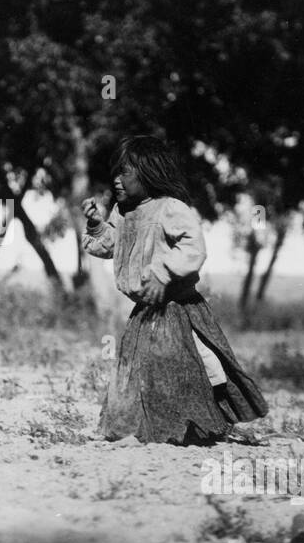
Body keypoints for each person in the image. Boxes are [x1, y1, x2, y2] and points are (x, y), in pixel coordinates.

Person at [82, 135, 268, 444]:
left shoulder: (171, 209)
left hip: (177, 309)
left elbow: (193, 248)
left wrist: (162, 272)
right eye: (115, 172)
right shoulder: (123, 212)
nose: (116, 180)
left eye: (124, 172)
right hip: (145, 314)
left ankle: (205, 425)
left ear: (149, 172)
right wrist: (96, 225)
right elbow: (107, 246)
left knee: (195, 367)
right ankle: (144, 429)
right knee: (138, 375)